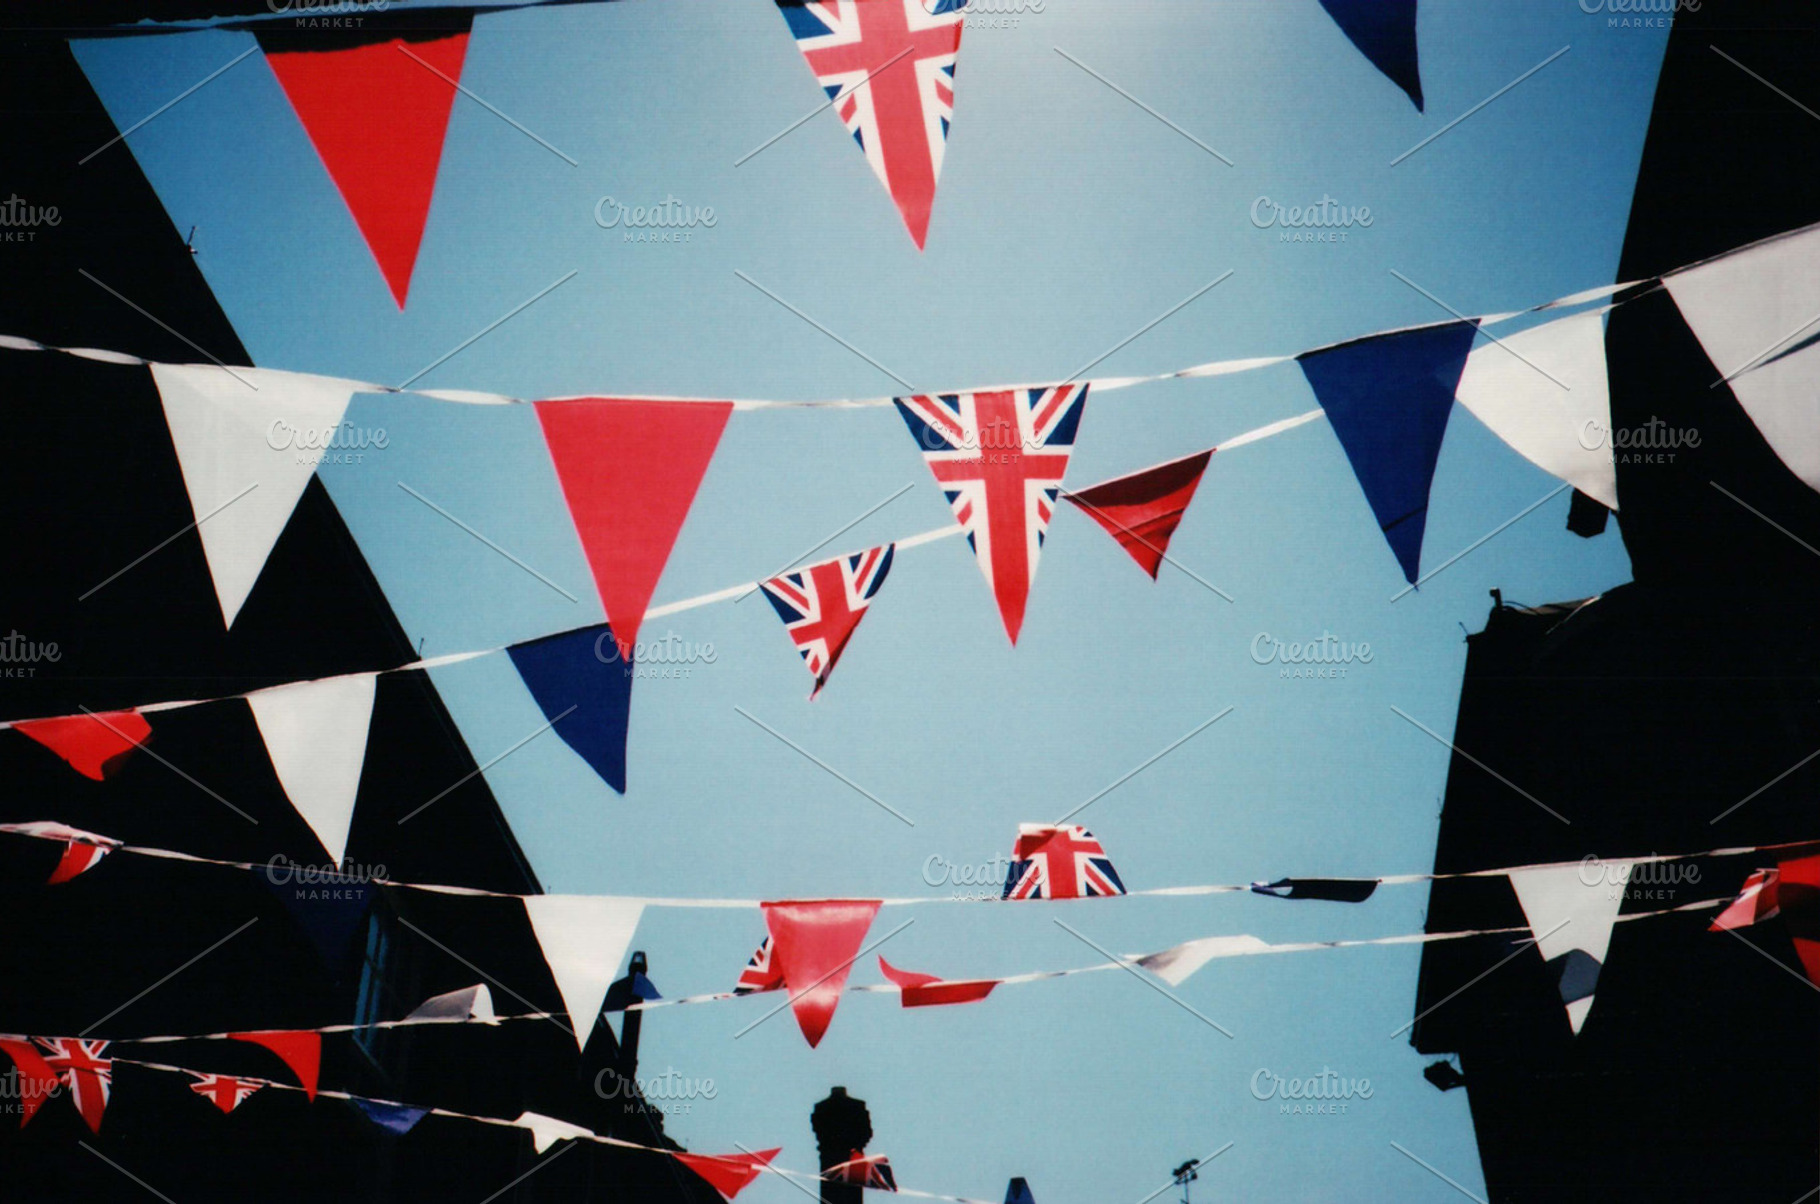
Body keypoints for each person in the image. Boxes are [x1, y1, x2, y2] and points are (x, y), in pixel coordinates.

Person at [810, 1086, 872, 1204]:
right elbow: (867, 1132)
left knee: (832, 1191)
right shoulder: (857, 1106)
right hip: (850, 1156)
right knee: (851, 1193)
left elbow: (817, 1129)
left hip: (831, 1156)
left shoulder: (822, 1107)